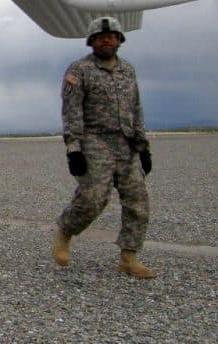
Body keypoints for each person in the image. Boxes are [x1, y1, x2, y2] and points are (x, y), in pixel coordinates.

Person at [52, 16, 155, 279]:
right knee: (93, 198)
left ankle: (129, 257)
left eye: (112, 36)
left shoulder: (128, 70)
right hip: (94, 141)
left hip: (126, 143)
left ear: (119, 40)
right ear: (91, 42)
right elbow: (71, 111)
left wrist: (143, 147)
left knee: (138, 201)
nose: (107, 39)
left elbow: (136, 108)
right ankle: (65, 230)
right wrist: (74, 148)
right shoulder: (79, 71)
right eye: (101, 36)